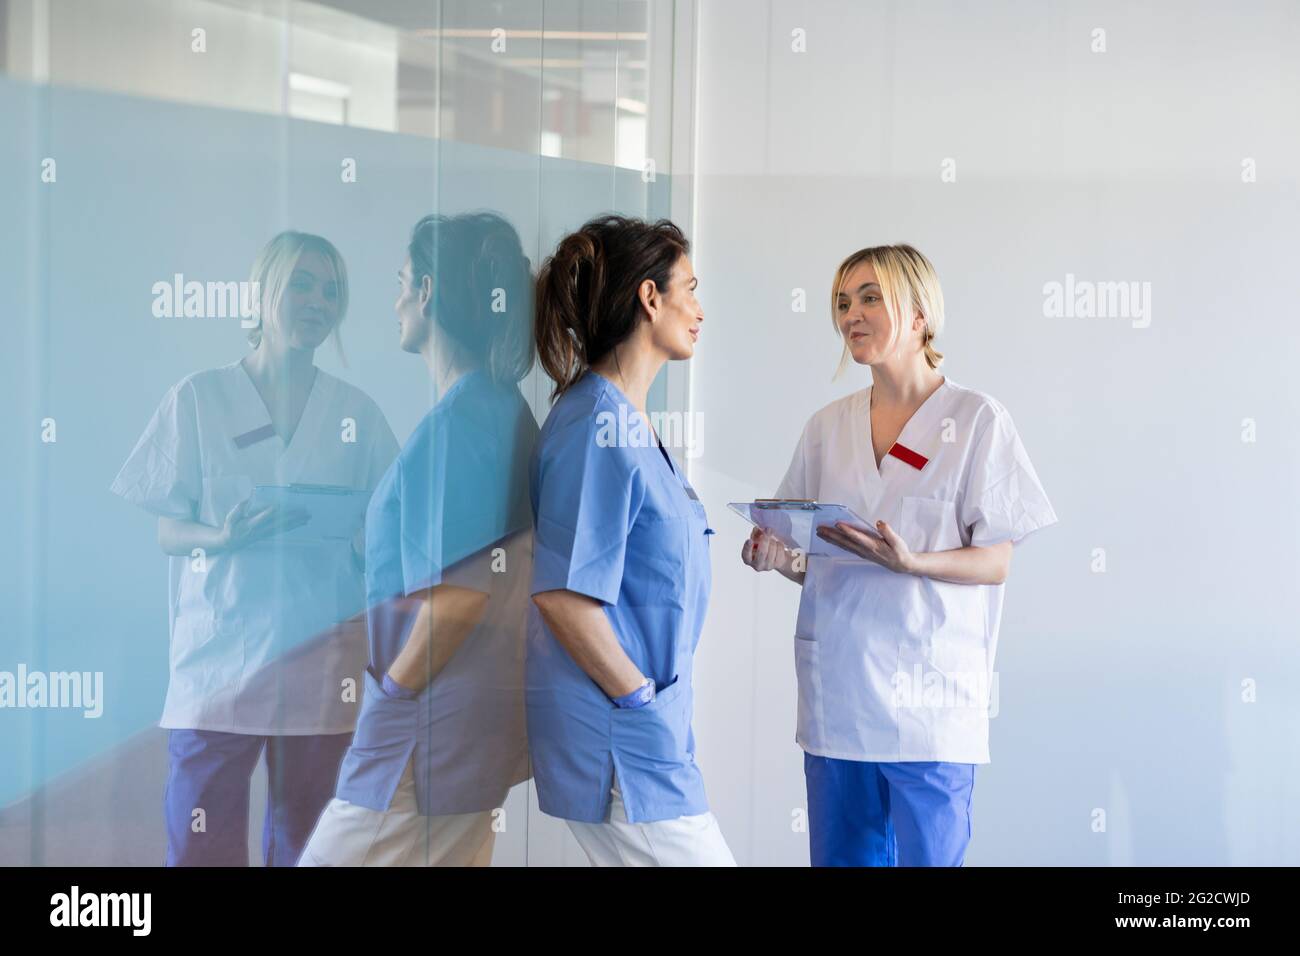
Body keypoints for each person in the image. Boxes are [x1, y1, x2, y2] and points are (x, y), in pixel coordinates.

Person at [742, 243, 1058, 867]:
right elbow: (815, 562)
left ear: (919, 315)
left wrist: (914, 564)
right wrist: (776, 557)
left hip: (931, 706)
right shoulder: (826, 428)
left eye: (868, 297)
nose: (850, 314)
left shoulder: (975, 422)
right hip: (840, 700)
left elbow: (996, 561)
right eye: (841, 302)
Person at [111, 231, 399, 865]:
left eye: (331, 291)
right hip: (222, 663)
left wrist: (359, 540)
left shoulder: (357, 415)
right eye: (301, 282)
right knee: (199, 845)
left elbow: (389, 530)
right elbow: (167, 529)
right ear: (264, 290)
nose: (317, 301)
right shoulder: (199, 398)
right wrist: (220, 537)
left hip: (321, 666)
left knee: (308, 848)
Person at [300, 212, 537, 867]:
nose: (396, 298)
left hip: (427, 724)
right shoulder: (499, 409)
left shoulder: (459, 425)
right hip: (469, 725)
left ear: (428, 292)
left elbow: (459, 599)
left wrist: (392, 700)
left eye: (403, 282)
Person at [527, 215, 735, 866]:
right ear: (650, 298)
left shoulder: (626, 420)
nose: (700, 310)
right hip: (623, 736)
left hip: (649, 729)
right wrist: (639, 700)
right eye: (690, 289)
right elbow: (563, 596)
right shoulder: (596, 424)